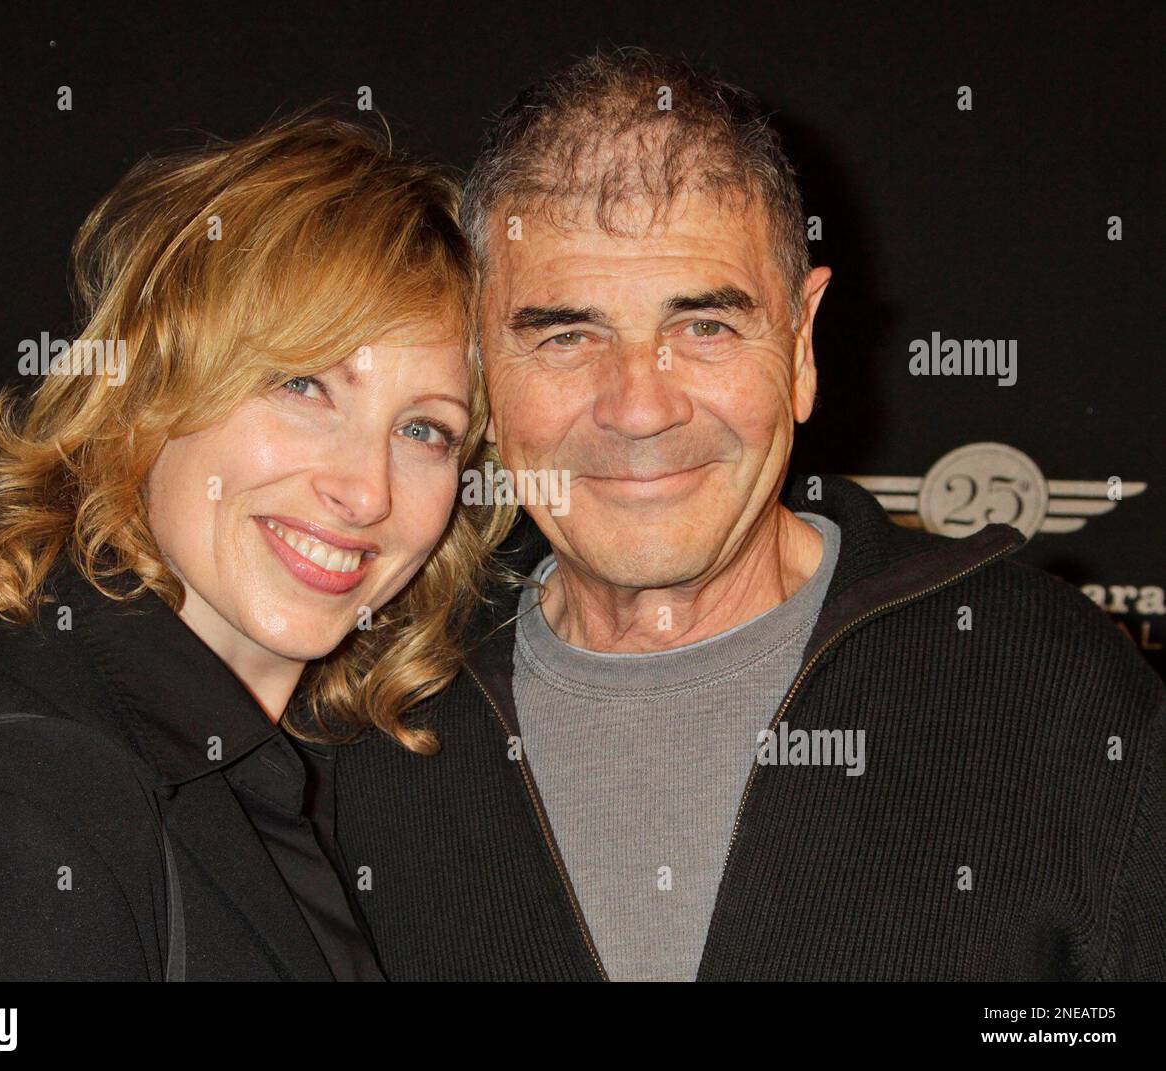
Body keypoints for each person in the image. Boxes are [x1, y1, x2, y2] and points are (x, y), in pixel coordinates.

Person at [329, 48, 1166, 981]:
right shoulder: (370, 720)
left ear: (803, 343)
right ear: (480, 366)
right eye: (568, 334)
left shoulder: (1051, 691)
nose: (639, 407)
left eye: (705, 327)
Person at [0, 110, 515, 980]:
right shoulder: (10, 811)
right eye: (302, 383)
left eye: (426, 430)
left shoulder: (285, 793)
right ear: (147, 386)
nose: (366, 489)